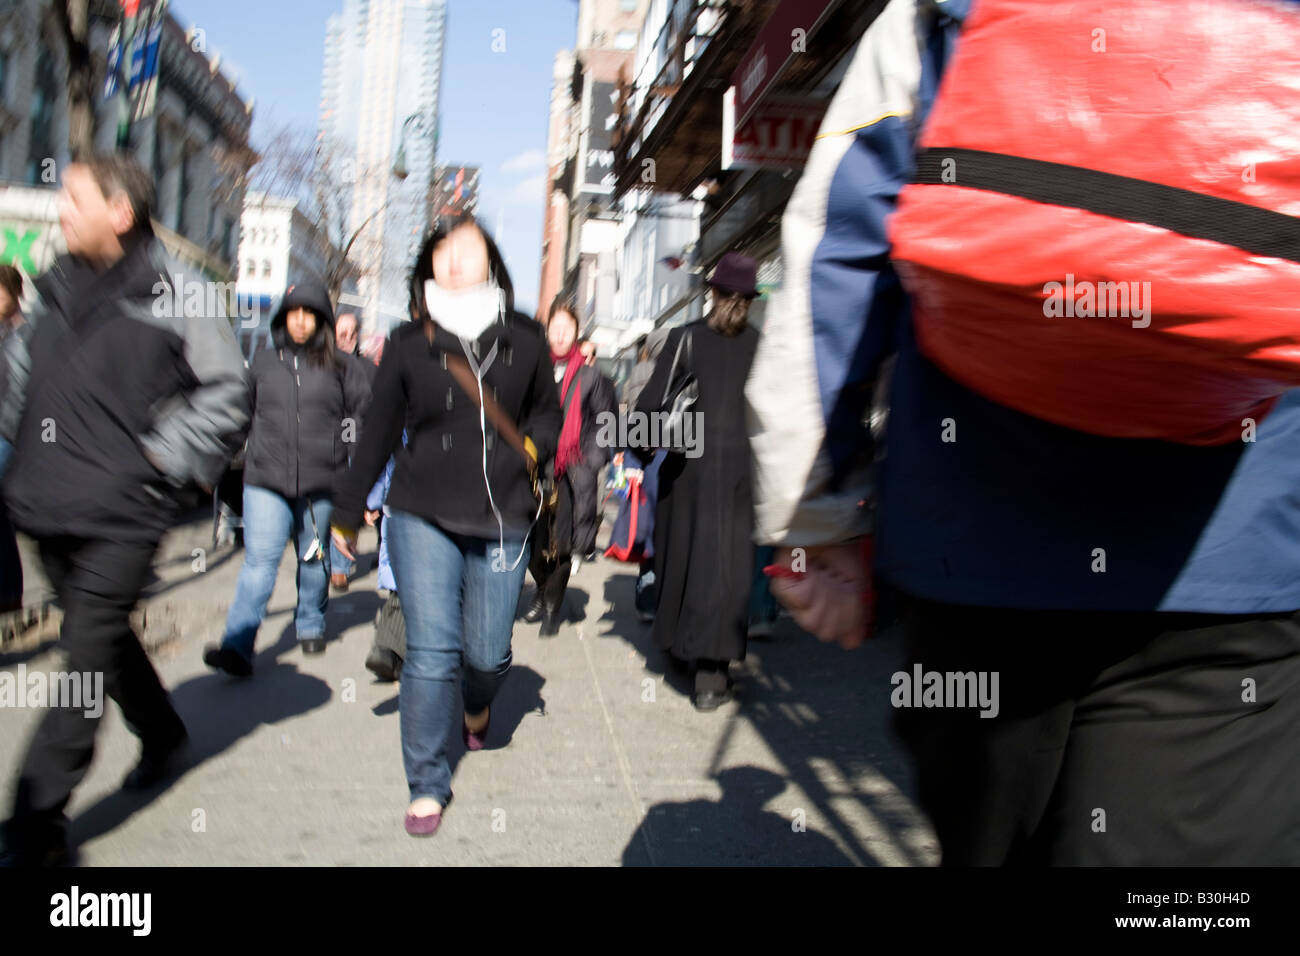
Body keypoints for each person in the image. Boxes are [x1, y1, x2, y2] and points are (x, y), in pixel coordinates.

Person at [748, 0, 1300, 865]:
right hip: (1234, 569)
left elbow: (837, 257)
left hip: (977, 566)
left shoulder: (934, 15)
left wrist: (815, 525)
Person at [0, 154, 250, 867]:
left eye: (75, 198)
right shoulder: (51, 289)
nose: (61, 210)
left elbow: (228, 394)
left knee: (83, 661)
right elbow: (20, 383)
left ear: (120, 211)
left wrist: (159, 461)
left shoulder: (185, 293)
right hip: (46, 503)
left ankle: (34, 823)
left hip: (122, 512)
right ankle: (164, 733)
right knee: (100, 639)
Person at [330, 214, 560, 836]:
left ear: (491, 261)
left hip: (504, 514)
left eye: (469, 248)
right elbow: (377, 430)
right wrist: (347, 517)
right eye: (443, 251)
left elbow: (546, 410)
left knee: (486, 653)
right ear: (428, 265)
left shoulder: (526, 337)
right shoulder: (410, 341)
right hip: (420, 511)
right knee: (431, 652)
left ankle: (478, 704)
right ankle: (427, 780)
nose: (455, 259)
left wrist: (534, 449)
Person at [203, 279, 370, 676]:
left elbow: (362, 415)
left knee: (313, 560)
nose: (300, 321)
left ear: (320, 321)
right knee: (259, 563)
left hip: (320, 482)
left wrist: (346, 457)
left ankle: (310, 621)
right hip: (265, 480)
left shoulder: (341, 367)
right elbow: (240, 416)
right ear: (283, 317)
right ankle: (238, 645)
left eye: (308, 314)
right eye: (293, 313)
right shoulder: (263, 362)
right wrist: (213, 460)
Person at [634, 252, 761, 711]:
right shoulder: (761, 345)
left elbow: (649, 408)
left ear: (713, 292)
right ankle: (714, 672)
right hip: (741, 476)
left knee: (682, 559)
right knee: (727, 567)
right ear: (748, 300)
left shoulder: (685, 339)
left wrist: (640, 450)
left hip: (687, 472)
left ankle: (677, 644)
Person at [522, 298, 616, 635]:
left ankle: (551, 607)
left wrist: (588, 462)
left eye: (567, 329)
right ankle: (542, 588)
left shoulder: (591, 377)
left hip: (571, 473)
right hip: (537, 470)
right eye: (555, 329)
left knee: (560, 543)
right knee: (532, 544)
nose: (560, 335)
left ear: (576, 333)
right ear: (547, 331)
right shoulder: (535, 372)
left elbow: (605, 424)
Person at [329, 311, 375, 591]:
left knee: (346, 500)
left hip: (358, 447)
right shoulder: (322, 366)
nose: (346, 338)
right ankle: (333, 564)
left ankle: (340, 564)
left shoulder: (369, 370)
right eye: (341, 333)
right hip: (327, 446)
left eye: (351, 333)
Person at [0, 265, 30, 611]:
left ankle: (10, 590)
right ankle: (10, 592)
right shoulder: (5, 335)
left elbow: (24, 394)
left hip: (10, 435)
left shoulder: (24, 336)